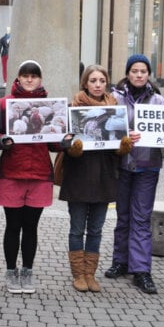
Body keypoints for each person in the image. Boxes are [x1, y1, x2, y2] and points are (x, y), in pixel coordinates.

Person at [57, 65, 131, 293]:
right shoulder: (74, 107)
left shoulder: (116, 109)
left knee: (97, 229)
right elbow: (62, 141)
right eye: (93, 81)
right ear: (85, 84)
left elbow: (118, 145)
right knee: (77, 228)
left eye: (101, 80)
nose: (98, 85)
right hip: (78, 175)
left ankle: (90, 274)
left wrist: (123, 147)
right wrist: (72, 147)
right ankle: (78, 274)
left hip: (105, 175)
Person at [104, 54, 164, 294]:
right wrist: (125, 136)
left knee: (141, 218)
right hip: (122, 165)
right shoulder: (115, 98)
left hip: (148, 165)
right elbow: (106, 127)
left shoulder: (158, 101)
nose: (139, 75)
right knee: (123, 216)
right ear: (127, 73)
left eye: (143, 71)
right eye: (135, 71)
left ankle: (141, 270)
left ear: (148, 74)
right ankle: (120, 261)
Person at [0, 60, 53, 294]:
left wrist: (66, 140)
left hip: (39, 174)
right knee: (12, 225)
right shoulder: (4, 105)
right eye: (25, 75)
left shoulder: (50, 106)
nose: (29, 79)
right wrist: (2, 140)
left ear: (40, 79)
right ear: (17, 78)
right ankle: (11, 271)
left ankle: (27, 271)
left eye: (34, 75)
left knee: (31, 227)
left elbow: (55, 143)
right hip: (12, 173)